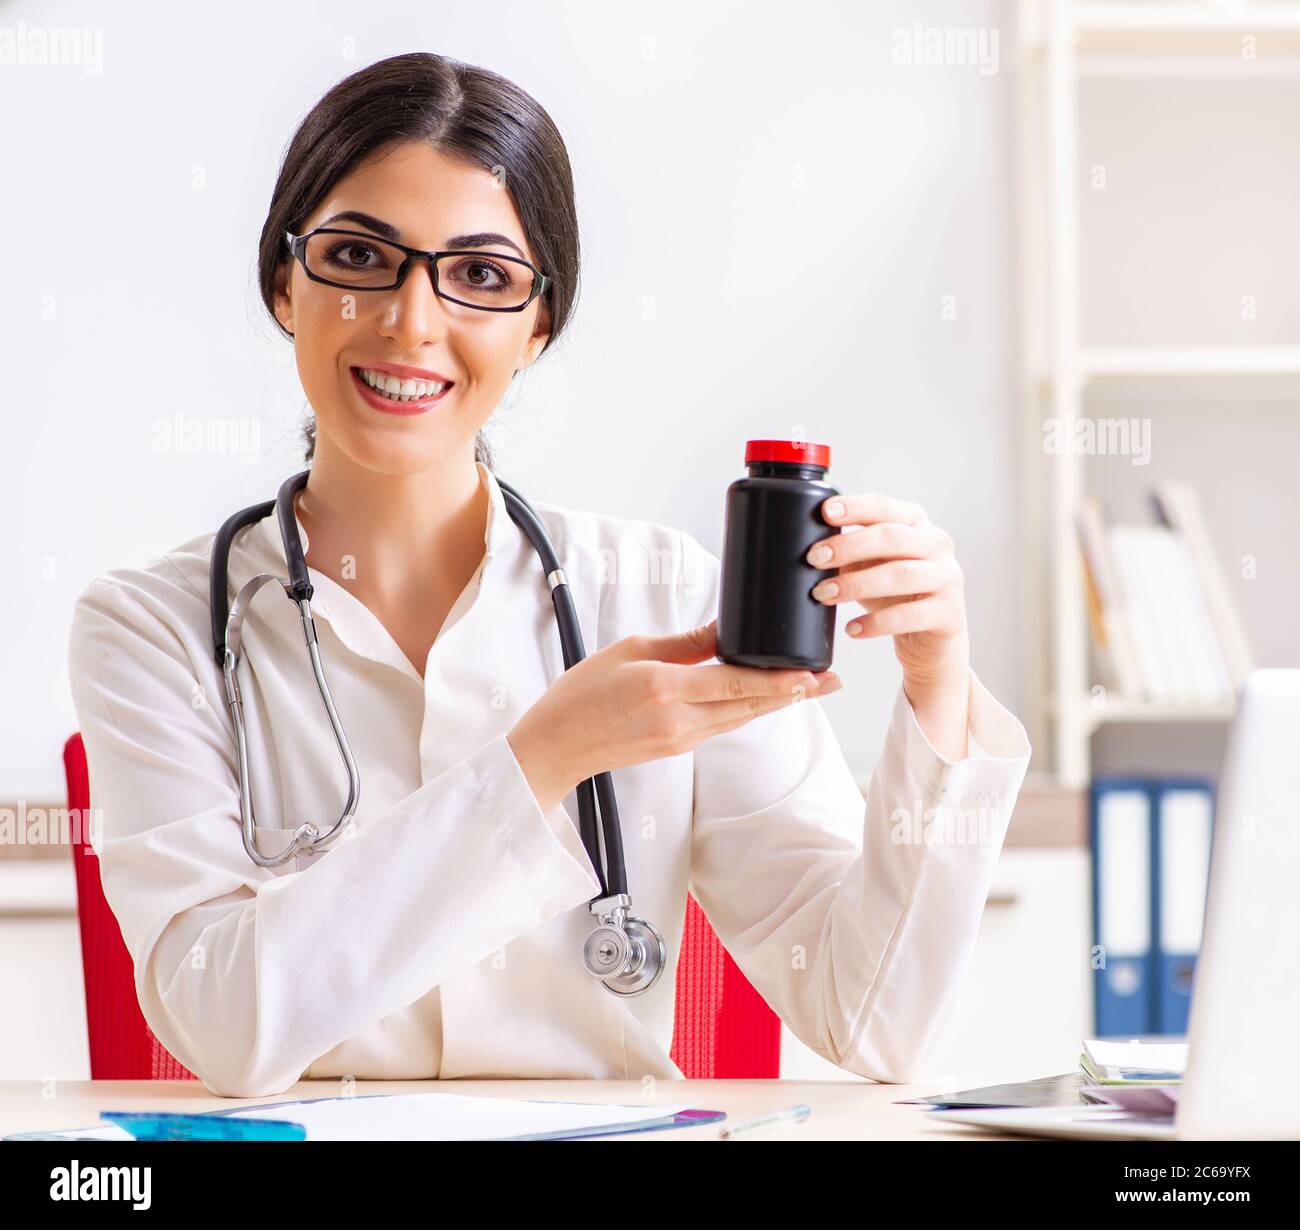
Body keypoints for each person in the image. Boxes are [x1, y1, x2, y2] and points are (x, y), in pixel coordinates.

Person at [68, 52, 1031, 1098]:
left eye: (480, 275)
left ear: (538, 326)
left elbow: (872, 1019)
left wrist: (936, 687)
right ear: (283, 285)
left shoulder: (664, 597)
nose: (411, 321)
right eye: (357, 255)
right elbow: (225, 1026)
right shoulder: (151, 629)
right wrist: (546, 755)